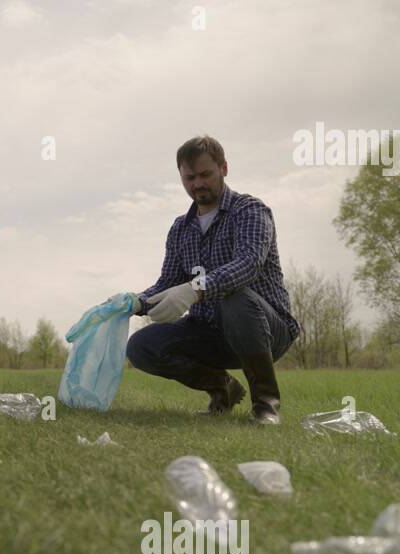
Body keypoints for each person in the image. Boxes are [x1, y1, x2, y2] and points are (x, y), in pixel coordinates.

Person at [124, 136, 300, 425]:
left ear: (224, 168)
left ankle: (266, 403)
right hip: (209, 332)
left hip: (266, 329)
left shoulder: (250, 212)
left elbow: (248, 263)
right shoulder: (180, 229)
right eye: (189, 178)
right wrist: (134, 301)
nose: (197, 184)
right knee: (140, 347)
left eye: (205, 174)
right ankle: (223, 389)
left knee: (234, 295)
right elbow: (168, 282)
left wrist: (196, 289)